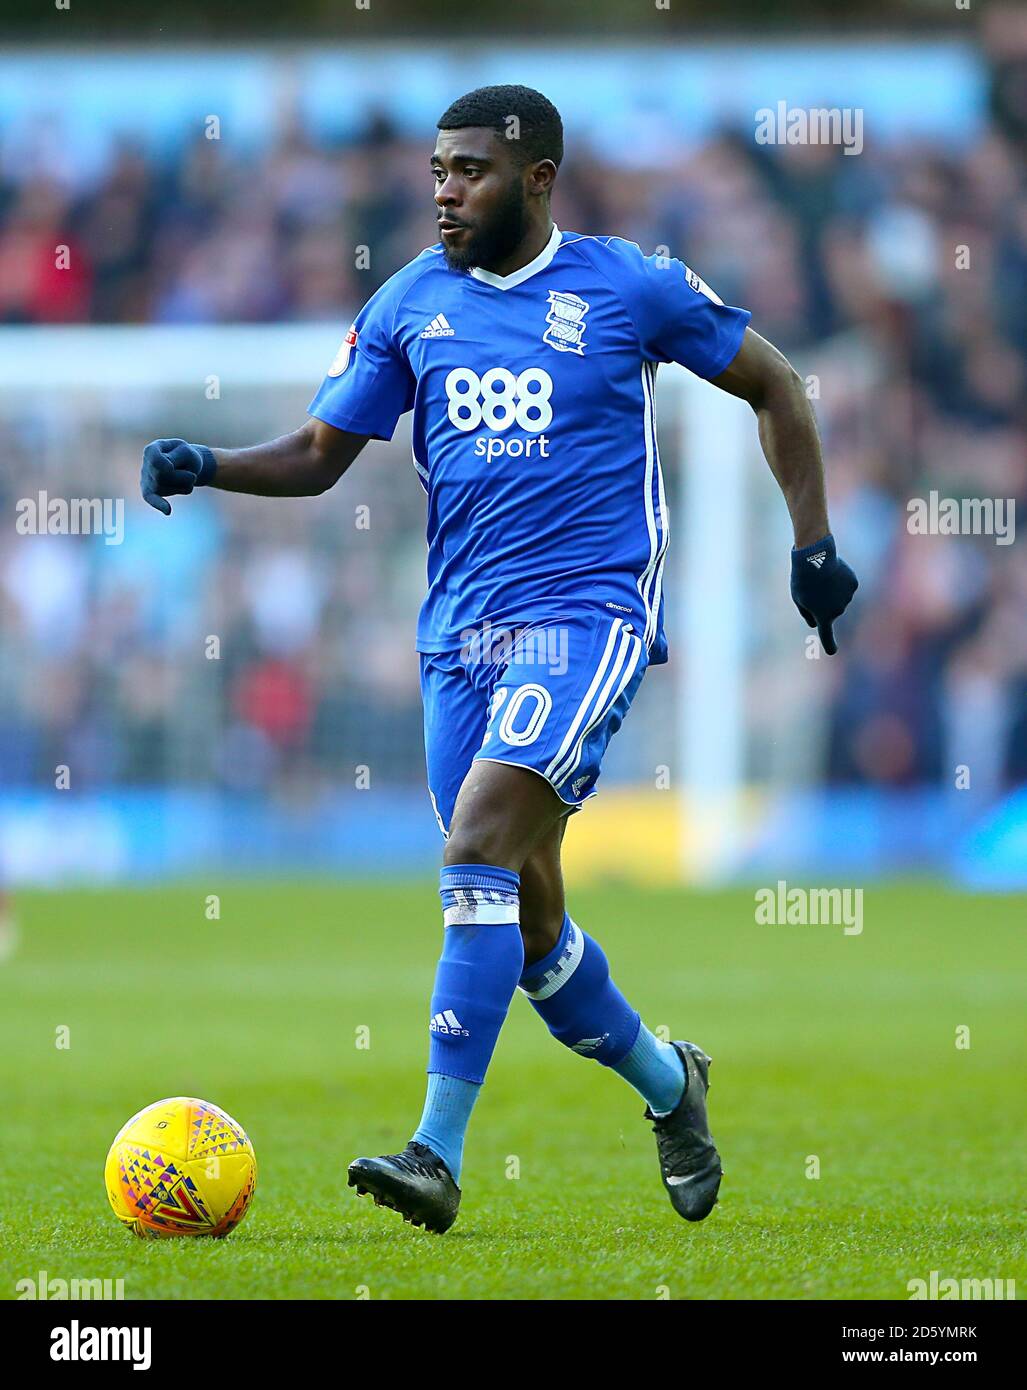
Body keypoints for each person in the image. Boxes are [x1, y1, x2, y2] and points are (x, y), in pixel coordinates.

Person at [141, 84, 857, 1234]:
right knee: (525, 931)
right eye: (435, 170)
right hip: (456, 643)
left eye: (468, 170)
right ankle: (675, 1084)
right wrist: (209, 461)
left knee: (474, 844)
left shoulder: (626, 284)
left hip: (587, 619)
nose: (442, 191)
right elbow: (324, 451)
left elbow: (773, 382)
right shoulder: (409, 303)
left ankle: (435, 1150)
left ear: (535, 179)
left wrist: (814, 545)